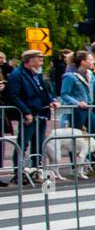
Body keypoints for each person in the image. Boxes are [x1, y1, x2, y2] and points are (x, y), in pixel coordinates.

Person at [8, 50, 58, 182]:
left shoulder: (37, 74)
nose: (41, 61)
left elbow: (44, 91)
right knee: (23, 144)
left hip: (41, 113)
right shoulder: (17, 75)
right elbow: (13, 96)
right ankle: (18, 173)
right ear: (30, 61)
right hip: (29, 114)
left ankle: (36, 170)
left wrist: (51, 101)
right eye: (39, 59)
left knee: (38, 143)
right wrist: (26, 112)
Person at [59, 49, 95, 134]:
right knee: (76, 136)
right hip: (76, 110)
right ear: (83, 62)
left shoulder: (90, 74)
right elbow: (64, 94)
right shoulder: (69, 76)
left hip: (88, 108)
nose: (92, 62)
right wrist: (77, 103)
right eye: (90, 60)